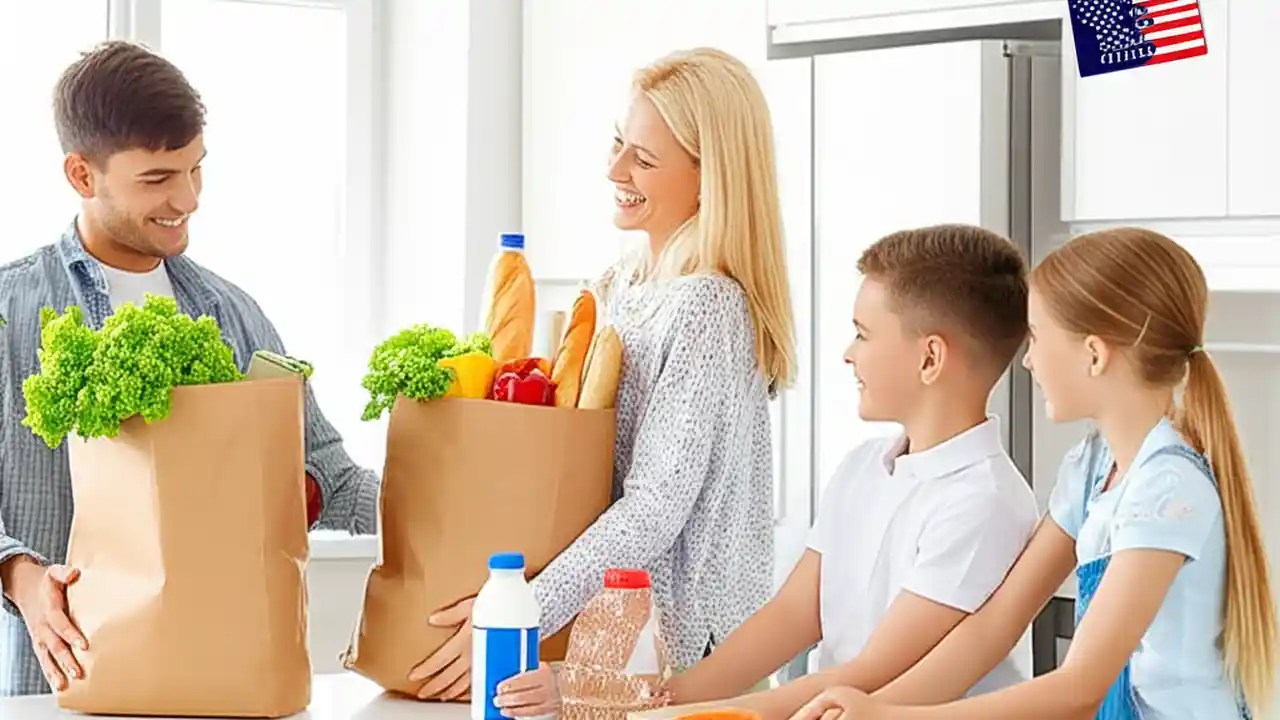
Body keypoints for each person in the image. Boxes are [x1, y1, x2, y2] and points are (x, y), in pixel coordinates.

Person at [406, 47, 797, 706]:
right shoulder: (620, 284)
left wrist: (524, 612)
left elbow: (652, 509)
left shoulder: (707, 305)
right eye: (619, 144)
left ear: (713, 177)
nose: (615, 169)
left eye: (643, 159)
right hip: (621, 645)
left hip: (696, 660)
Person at [0, 40, 380, 696]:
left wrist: (460, 515)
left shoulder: (233, 314)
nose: (189, 198)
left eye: (195, 169)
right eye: (157, 179)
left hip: (220, 685)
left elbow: (331, 480)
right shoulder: (12, 311)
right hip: (54, 690)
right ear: (82, 175)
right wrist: (23, 579)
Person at [793, 227, 1276, 720]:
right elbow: (992, 628)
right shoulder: (1091, 468)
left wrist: (892, 717)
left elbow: (1079, 689)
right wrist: (873, 705)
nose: (1027, 361)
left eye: (1038, 338)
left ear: (1093, 354)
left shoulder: (1167, 488)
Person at [656, 224, 1040, 720]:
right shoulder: (863, 466)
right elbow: (796, 613)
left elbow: (874, 673)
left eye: (863, 333)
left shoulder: (985, 502)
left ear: (930, 358)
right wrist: (668, 700)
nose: (848, 352)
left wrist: (715, 717)